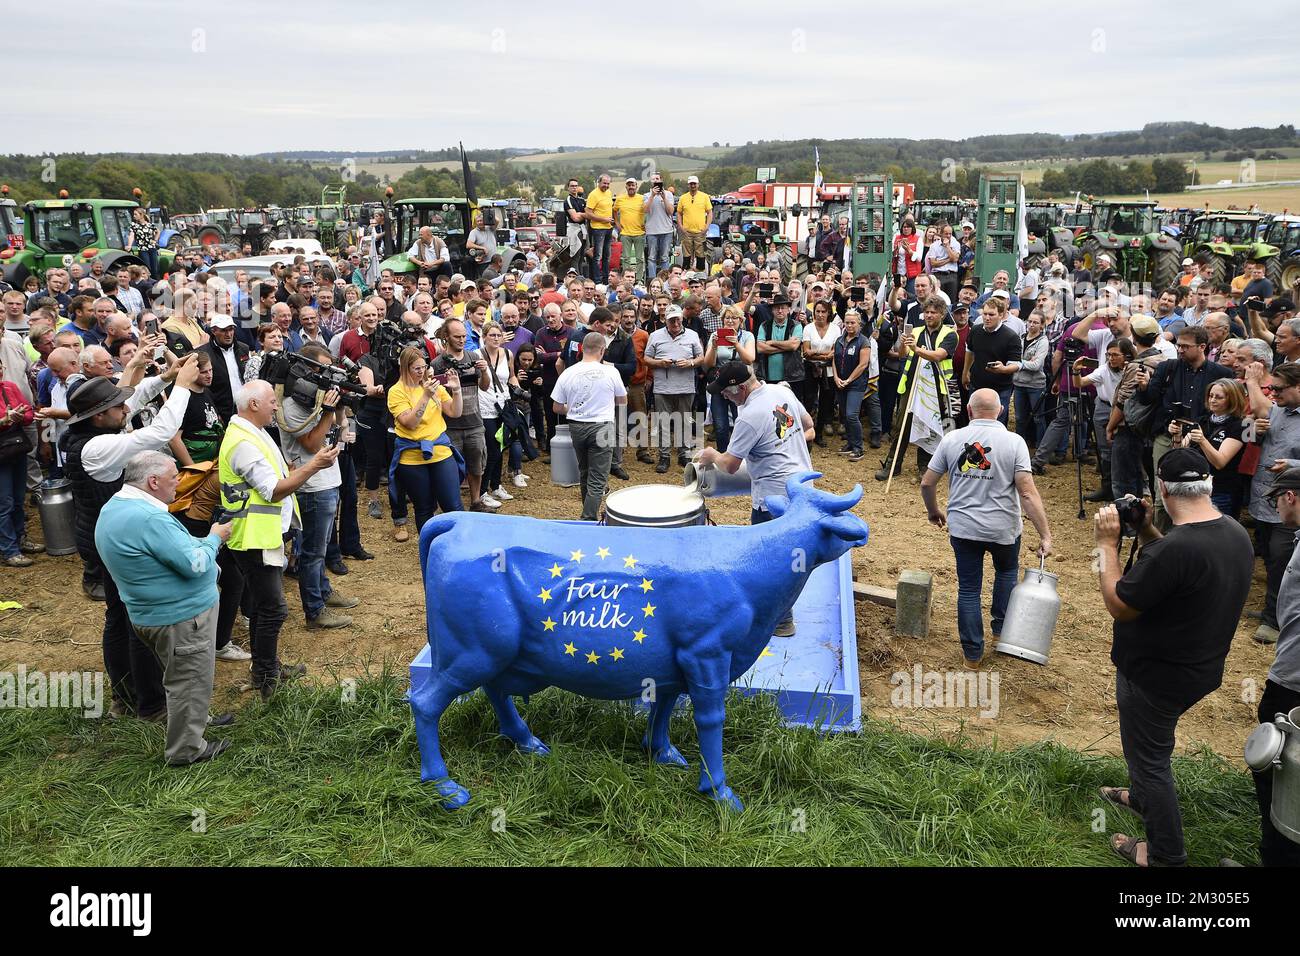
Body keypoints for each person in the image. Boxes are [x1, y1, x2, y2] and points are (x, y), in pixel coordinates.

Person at [1093, 447, 1253, 867]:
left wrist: (1107, 546)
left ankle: (1164, 855)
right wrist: (1146, 531)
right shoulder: (1234, 532)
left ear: (1162, 489)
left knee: (1149, 760)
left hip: (1155, 678)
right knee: (1149, 753)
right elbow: (1178, 569)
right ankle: (1142, 798)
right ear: (1210, 484)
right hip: (1198, 670)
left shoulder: (1177, 549)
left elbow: (1120, 603)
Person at [95, 451, 232, 765]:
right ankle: (187, 749)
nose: (179, 484)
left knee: (178, 676)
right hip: (181, 618)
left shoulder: (113, 508)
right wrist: (214, 538)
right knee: (189, 682)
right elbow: (196, 564)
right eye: (174, 478)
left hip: (148, 613)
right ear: (152, 481)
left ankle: (193, 723)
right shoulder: (150, 519)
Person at [218, 380, 339, 698]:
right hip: (253, 537)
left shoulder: (251, 433)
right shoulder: (244, 441)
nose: (276, 406)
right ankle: (267, 678)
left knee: (261, 606)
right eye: (272, 401)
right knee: (273, 609)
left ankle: (265, 669)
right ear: (254, 405)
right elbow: (272, 489)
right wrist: (314, 466)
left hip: (258, 533)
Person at [921, 388, 1053, 668]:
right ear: (1001, 410)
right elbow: (1027, 493)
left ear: (969, 411)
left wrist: (933, 511)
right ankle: (1000, 632)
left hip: (964, 528)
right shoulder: (1014, 442)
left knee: (969, 589)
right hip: (1003, 529)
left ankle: (972, 654)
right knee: (1006, 574)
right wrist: (1045, 533)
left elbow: (927, 482)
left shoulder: (952, 439)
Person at [696, 361, 815, 637]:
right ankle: (782, 614)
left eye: (725, 392)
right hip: (803, 486)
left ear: (739, 388)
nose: (723, 396)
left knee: (770, 557)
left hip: (773, 496)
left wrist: (712, 454)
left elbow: (730, 465)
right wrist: (781, 445)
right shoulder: (782, 391)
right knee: (791, 553)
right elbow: (809, 427)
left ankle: (782, 620)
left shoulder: (749, 416)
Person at [1241, 467, 1300, 866]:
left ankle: (1276, 858)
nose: (1276, 504)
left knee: (1277, 767)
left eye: (1277, 497)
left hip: (1293, 681)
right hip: (1290, 668)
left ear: (1292, 497)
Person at [278, 344, 359, 630]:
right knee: (312, 553)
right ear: (307, 369)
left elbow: (337, 431)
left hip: (327, 480)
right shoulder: (292, 404)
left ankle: (323, 591)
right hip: (311, 485)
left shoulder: (312, 399)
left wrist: (338, 408)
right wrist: (327, 410)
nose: (328, 376)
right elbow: (311, 444)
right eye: (323, 370)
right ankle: (314, 611)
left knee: (322, 546)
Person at [1244, 361, 1300, 644]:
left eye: (1278, 389)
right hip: (1263, 499)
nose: (1272, 394)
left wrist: (1291, 463)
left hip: (1291, 506)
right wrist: (1255, 429)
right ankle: (1273, 606)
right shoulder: (1274, 411)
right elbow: (1246, 439)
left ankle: (1274, 621)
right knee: (1267, 555)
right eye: (1270, 389)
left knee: (1281, 560)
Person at [876, 296, 958, 480]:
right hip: (912, 383)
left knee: (929, 424)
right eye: (926, 312)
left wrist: (916, 348)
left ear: (942, 314)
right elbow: (903, 354)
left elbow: (938, 355)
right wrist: (905, 344)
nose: (929, 315)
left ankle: (925, 467)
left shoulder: (950, 334)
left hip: (936, 388)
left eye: (933, 312)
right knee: (902, 424)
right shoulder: (917, 331)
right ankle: (892, 464)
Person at [551, 332, 627, 521]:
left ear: (581, 348)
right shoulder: (611, 372)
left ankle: (588, 512)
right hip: (602, 426)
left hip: (577, 426)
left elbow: (557, 407)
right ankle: (588, 517)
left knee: (584, 471)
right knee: (598, 478)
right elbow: (622, 400)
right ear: (603, 350)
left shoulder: (568, 372)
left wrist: (575, 407)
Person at [387, 346, 464, 532]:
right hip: (411, 456)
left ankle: (461, 544)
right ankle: (428, 548)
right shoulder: (397, 391)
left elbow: (455, 412)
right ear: (405, 368)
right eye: (417, 368)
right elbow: (410, 423)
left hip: (440, 451)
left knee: (453, 505)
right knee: (424, 508)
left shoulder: (432, 385)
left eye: (424, 367)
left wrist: (457, 390)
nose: (422, 372)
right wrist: (425, 396)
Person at [432, 319, 493, 512]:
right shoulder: (437, 363)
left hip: (474, 421)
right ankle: (452, 504)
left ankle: (476, 501)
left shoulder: (473, 356)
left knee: (476, 465)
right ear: (446, 337)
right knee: (450, 469)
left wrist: (484, 371)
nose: (461, 340)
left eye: (464, 336)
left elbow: (484, 386)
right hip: (449, 425)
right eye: (457, 337)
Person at [1177, 378, 1248, 520]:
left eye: (1218, 397)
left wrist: (1202, 440)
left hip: (1222, 490)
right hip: (1196, 487)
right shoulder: (1203, 420)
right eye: (1210, 396)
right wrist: (1177, 435)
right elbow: (1181, 451)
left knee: (1219, 534)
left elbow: (1220, 462)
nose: (1212, 400)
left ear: (1232, 400)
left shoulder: (1241, 425)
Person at [644, 305, 703, 473]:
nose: (675, 323)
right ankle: (664, 456)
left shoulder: (692, 335)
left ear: (682, 318)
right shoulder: (655, 336)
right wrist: (659, 363)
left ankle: (684, 453)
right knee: (662, 422)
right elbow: (646, 358)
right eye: (671, 320)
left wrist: (690, 363)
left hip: (686, 385)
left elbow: (701, 357)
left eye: (677, 319)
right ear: (666, 320)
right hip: (663, 387)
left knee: (684, 420)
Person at [703, 304, 756, 453]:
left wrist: (736, 344)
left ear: (741, 320)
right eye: (727, 317)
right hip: (720, 384)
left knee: (741, 421)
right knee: (720, 425)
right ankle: (722, 455)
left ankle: (741, 454)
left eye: (734, 318)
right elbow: (708, 363)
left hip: (741, 385)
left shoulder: (747, 336)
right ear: (722, 320)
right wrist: (713, 346)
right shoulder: (715, 335)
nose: (730, 321)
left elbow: (750, 359)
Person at [962, 296, 1022, 425]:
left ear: (1001, 315)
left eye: (991, 314)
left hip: (1000, 388)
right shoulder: (976, 330)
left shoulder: (1011, 337)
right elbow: (969, 351)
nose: (987, 318)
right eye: (985, 314)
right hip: (977, 384)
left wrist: (1003, 369)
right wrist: (965, 371)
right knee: (974, 421)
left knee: (996, 423)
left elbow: (1016, 364)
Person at [0, 360, 35, 567]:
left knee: (18, 498)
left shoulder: (10, 387)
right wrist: (4, 419)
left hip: (16, 448)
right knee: (4, 503)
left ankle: (20, 538)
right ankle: (9, 549)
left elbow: (29, 413)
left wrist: (20, 417)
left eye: (0, 367)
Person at [832, 309, 876, 460]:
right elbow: (834, 359)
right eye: (847, 322)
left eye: (853, 323)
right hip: (840, 383)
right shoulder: (839, 340)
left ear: (859, 324)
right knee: (844, 414)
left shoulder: (863, 341)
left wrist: (849, 380)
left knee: (851, 415)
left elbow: (863, 364)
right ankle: (850, 443)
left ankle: (858, 447)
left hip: (856, 384)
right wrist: (836, 378)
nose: (849, 326)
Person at [1012, 311, 1050, 448]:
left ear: (1042, 325)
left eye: (1036, 322)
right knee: (1019, 418)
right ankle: (1018, 446)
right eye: (1030, 321)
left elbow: (1036, 365)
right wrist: (1025, 362)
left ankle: (1041, 447)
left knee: (1038, 417)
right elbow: (1011, 357)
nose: (1032, 325)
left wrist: (1019, 363)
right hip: (1018, 383)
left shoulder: (1043, 341)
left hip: (1036, 385)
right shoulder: (1021, 338)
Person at [643, 174, 676, 280]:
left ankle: (665, 280)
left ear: (661, 180)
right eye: (653, 179)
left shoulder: (669, 194)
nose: (655, 181)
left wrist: (664, 198)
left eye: (657, 179)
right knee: (651, 257)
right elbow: (645, 210)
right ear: (651, 182)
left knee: (665, 257)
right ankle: (652, 281)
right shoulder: (647, 195)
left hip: (666, 230)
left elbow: (671, 211)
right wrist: (652, 196)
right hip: (652, 231)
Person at [676, 176, 712, 274]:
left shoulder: (704, 197)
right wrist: (681, 226)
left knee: (701, 254)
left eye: (694, 184)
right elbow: (679, 213)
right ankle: (686, 274)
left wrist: (707, 226)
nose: (693, 185)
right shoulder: (683, 198)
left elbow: (709, 212)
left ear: (698, 185)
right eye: (691, 184)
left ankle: (700, 275)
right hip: (686, 232)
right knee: (686, 255)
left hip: (700, 232)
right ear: (688, 185)